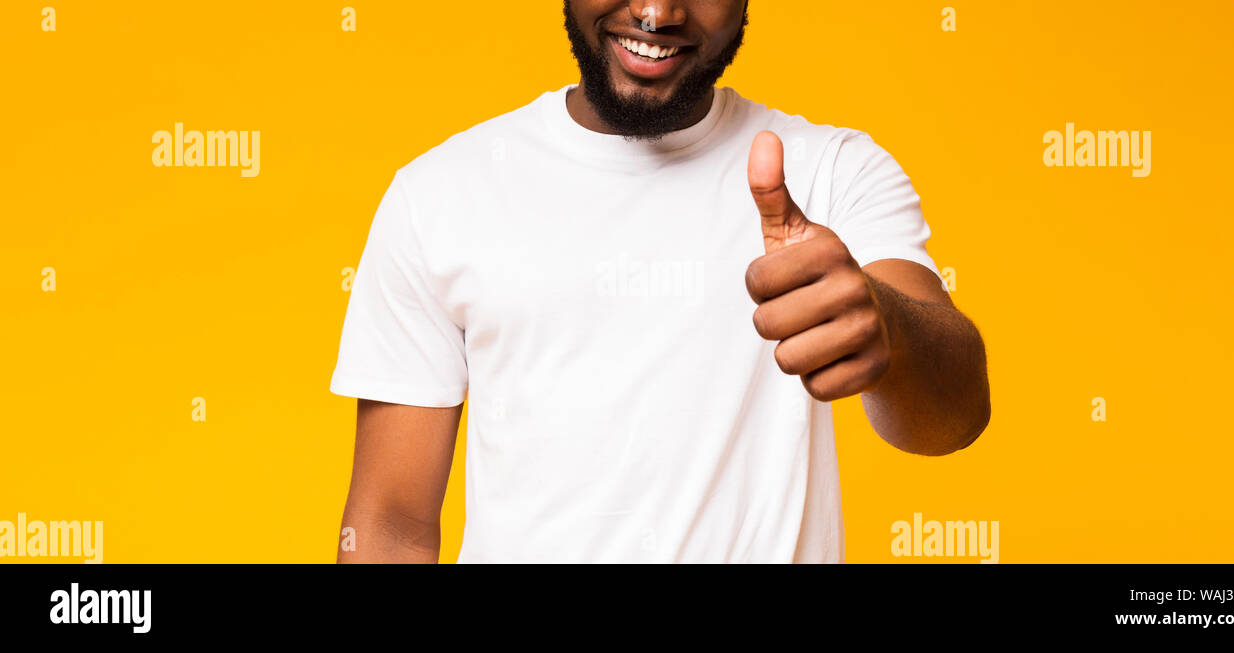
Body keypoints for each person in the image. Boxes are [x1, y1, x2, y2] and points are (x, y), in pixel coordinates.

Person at [331, 0, 990, 563]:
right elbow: (390, 526)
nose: (657, 12)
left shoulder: (833, 173)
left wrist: (889, 330)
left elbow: (955, 413)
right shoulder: (439, 195)